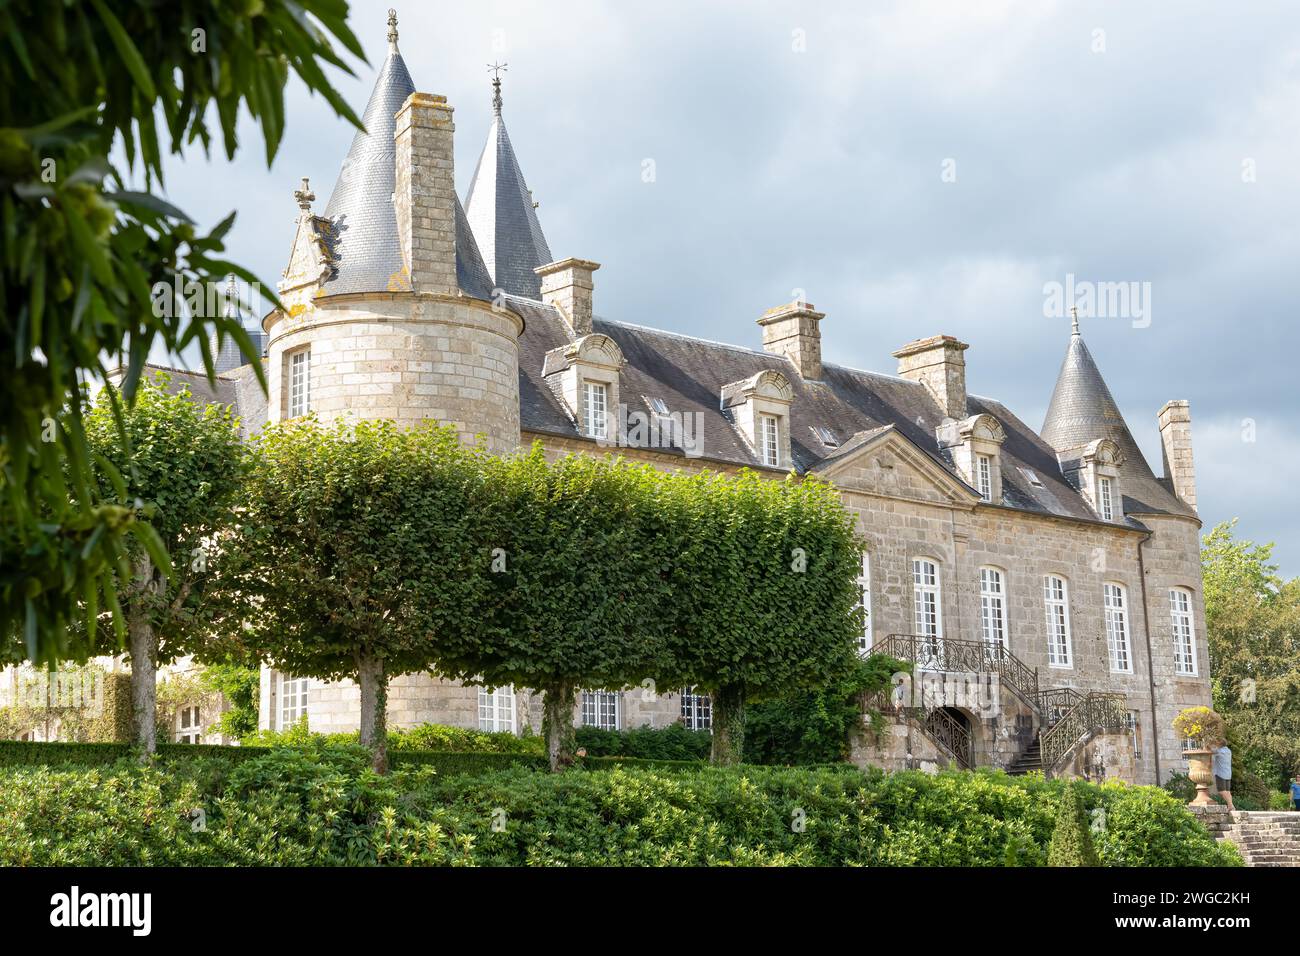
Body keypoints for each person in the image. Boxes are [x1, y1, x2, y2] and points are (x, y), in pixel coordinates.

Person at [1213, 744, 1235, 811]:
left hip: (1220, 774)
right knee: (1227, 792)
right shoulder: (1228, 750)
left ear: (1219, 743)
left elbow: (1210, 751)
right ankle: (1230, 807)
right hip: (1228, 774)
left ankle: (1231, 805)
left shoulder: (1219, 751)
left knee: (1221, 791)